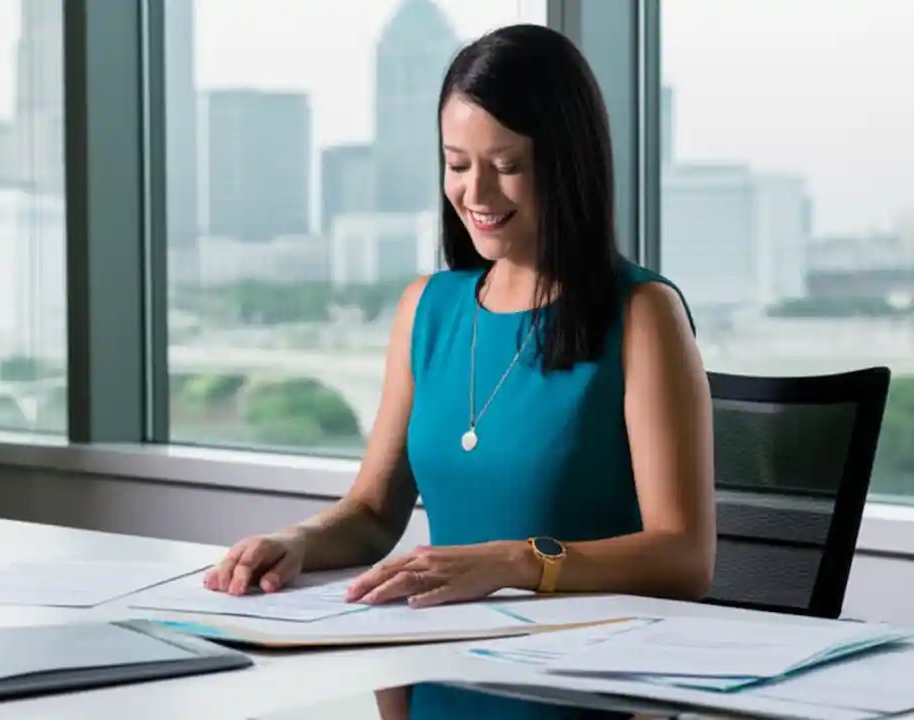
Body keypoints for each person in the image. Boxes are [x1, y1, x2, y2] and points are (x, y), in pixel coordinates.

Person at [205, 23, 713, 619]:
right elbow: (372, 514)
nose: (477, 192)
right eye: (458, 164)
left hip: (580, 668)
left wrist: (515, 562)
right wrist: (299, 540)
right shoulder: (428, 307)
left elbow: (684, 558)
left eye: (506, 164)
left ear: (568, 164)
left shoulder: (643, 313)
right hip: (439, 652)